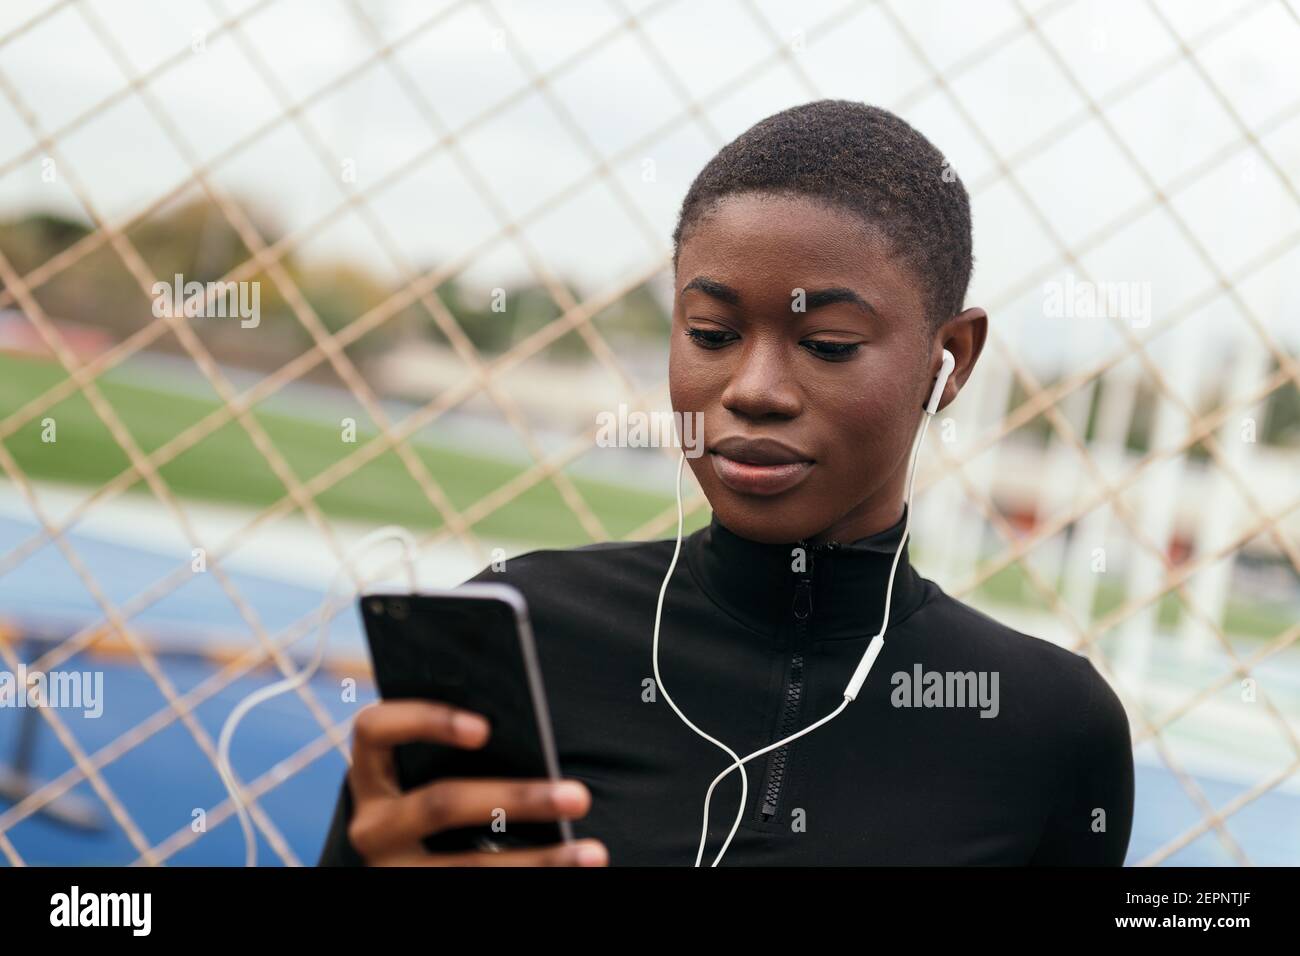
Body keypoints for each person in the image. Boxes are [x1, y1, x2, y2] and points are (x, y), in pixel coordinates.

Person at [317, 99, 1134, 867]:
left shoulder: (1049, 728)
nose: (755, 389)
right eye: (712, 332)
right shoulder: (518, 636)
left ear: (949, 360)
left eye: (829, 343)